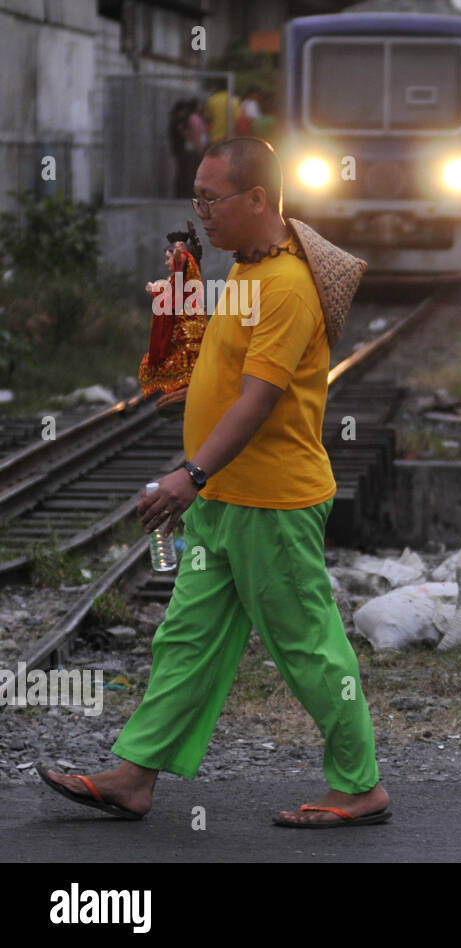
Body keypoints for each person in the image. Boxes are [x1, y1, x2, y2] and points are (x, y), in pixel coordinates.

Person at [38, 137, 385, 829]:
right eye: (195, 197)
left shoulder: (285, 286)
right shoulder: (246, 273)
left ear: (257, 199)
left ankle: (360, 784)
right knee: (187, 641)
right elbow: (229, 376)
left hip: (272, 502)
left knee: (308, 647)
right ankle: (135, 775)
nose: (202, 211)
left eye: (211, 198)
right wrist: (184, 392)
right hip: (226, 499)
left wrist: (189, 473)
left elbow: (257, 401)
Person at [139, 221, 207, 417]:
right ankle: (180, 391)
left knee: (187, 357)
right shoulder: (174, 279)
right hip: (178, 324)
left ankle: (188, 389)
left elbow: (179, 265)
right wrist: (156, 288)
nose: (167, 262)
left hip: (189, 324)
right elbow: (169, 290)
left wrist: (179, 249)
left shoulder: (186, 268)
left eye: (169, 258)